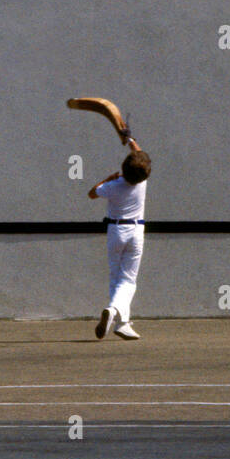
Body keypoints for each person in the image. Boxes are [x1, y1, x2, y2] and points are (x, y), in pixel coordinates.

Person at [88, 139, 150, 340]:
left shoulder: (113, 185)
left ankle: (117, 316)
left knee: (117, 278)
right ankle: (119, 318)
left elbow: (91, 194)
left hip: (116, 231)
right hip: (136, 231)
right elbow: (141, 156)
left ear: (124, 167)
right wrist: (130, 140)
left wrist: (108, 178)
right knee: (128, 280)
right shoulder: (143, 181)